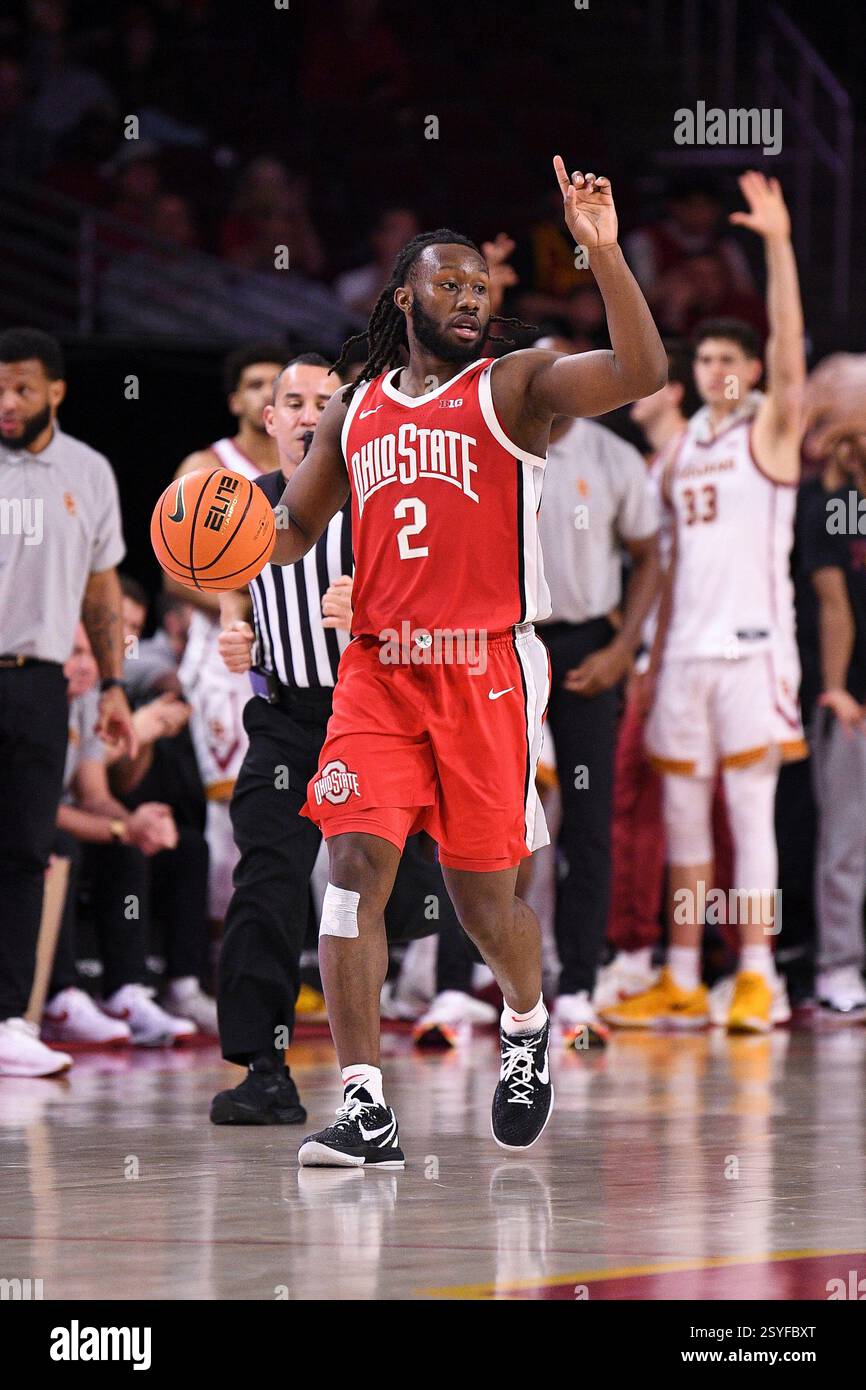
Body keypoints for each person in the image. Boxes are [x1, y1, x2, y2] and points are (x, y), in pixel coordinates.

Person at [270, 157, 667, 1166]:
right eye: (447, 281)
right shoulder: (357, 409)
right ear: (404, 295)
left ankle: (526, 1022)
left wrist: (604, 253)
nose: (467, 296)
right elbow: (290, 530)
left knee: (484, 900)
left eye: (479, 285)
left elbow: (640, 373)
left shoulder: (516, 386)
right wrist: (219, 535)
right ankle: (365, 1106)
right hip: (377, 670)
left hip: (485, 669)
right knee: (349, 870)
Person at [603, 173, 807, 1036]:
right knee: (684, 822)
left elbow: (792, 356)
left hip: (752, 650)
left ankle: (759, 974)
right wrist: (644, 654)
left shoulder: (771, 430)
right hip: (681, 654)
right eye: (707, 360)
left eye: (731, 360)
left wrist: (778, 246)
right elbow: (660, 565)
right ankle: (683, 974)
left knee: (751, 818)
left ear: (750, 371)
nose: (717, 370)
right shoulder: (677, 451)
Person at [0, 327, 135, 1078]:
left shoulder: (89, 470)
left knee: (27, 850)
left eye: (21, 387)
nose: (7, 401)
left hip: (39, 680)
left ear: (55, 390)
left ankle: (9, 1021)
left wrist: (112, 683)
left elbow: (101, 589)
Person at [531, 333, 661, 1047]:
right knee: (485, 821)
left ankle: (578, 984)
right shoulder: (494, 444)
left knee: (588, 822)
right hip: (505, 645)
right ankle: (464, 986)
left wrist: (621, 650)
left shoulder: (614, 457)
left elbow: (650, 558)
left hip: (586, 647)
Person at [168, 345, 286, 925]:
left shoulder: (312, 469)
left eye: (277, 384)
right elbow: (175, 572)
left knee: (310, 799)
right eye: (255, 383)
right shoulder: (205, 466)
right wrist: (246, 603)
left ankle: (309, 948)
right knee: (231, 801)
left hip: (295, 651)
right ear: (236, 399)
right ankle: (222, 942)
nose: (267, 393)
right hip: (225, 653)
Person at [42, 626, 194, 1047]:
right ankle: (58, 996)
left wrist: (137, 826)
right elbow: (39, 810)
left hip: (55, 822)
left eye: (93, 655)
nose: (85, 665)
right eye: (74, 653)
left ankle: (125, 991)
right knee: (59, 846)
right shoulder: (31, 700)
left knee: (127, 851)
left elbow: (94, 795)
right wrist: (121, 827)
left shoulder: (88, 699)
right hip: (24, 829)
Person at [796, 441, 866, 1017]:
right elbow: (833, 605)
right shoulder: (830, 508)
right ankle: (839, 965)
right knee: (846, 842)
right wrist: (839, 687)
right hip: (852, 702)